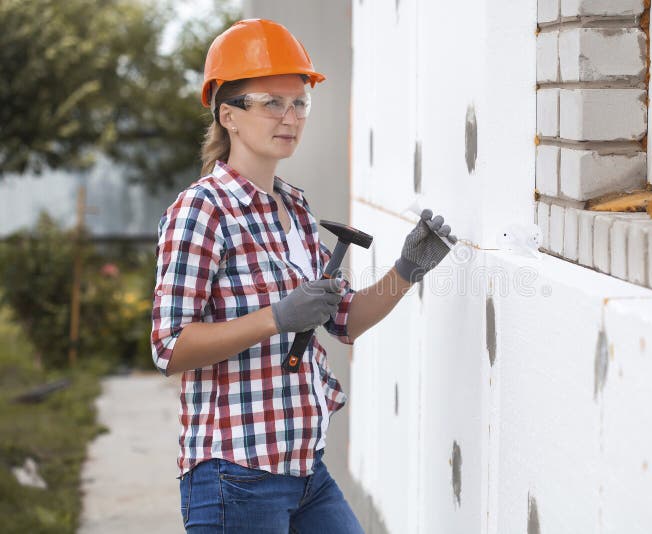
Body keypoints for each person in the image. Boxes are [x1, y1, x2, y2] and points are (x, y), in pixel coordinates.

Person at [150, 18, 457, 533]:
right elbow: (168, 346)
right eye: (271, 102)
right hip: (234, 475)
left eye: (299, 103)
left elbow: (344, 321)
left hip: (305, 469)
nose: (290, 116)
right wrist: (275, 317)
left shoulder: (293, 206)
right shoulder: (201, 211)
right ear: (228, 114)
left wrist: (407, 270)